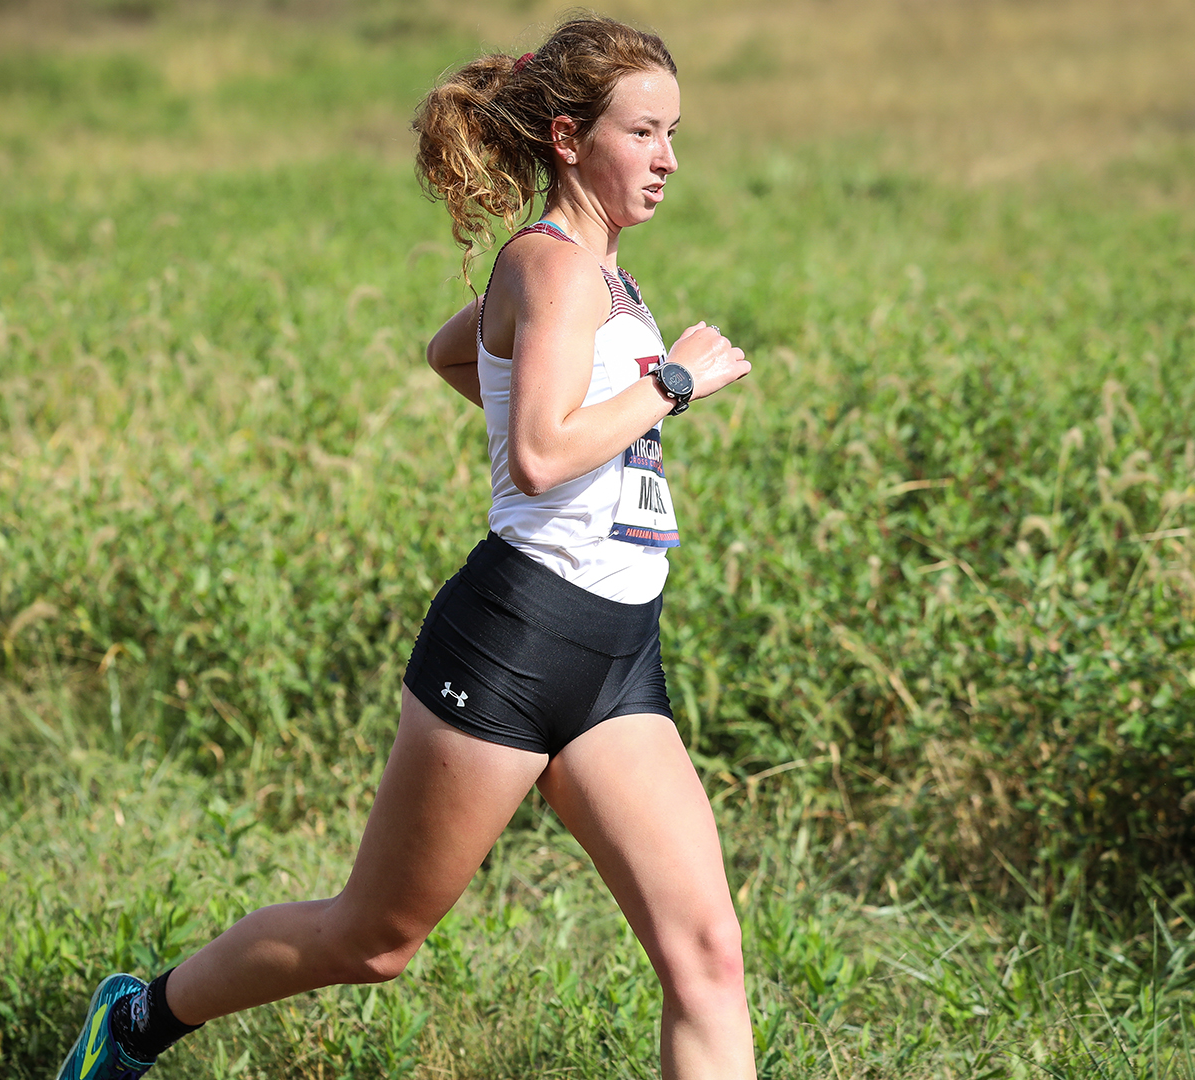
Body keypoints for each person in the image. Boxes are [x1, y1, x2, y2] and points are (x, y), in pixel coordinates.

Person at [56, 16, 755, 1080]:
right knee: (374, 941)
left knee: (707, 957)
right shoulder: (555, 267)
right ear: (569, 139)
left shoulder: (598, 276)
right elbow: (539, 456)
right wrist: (672, 383)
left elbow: (455, 353)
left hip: (619, 652)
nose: (667, 159)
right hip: (518, 642)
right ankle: (138, 1022)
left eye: (674, 134)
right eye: (643, 133)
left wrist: (551, 387)